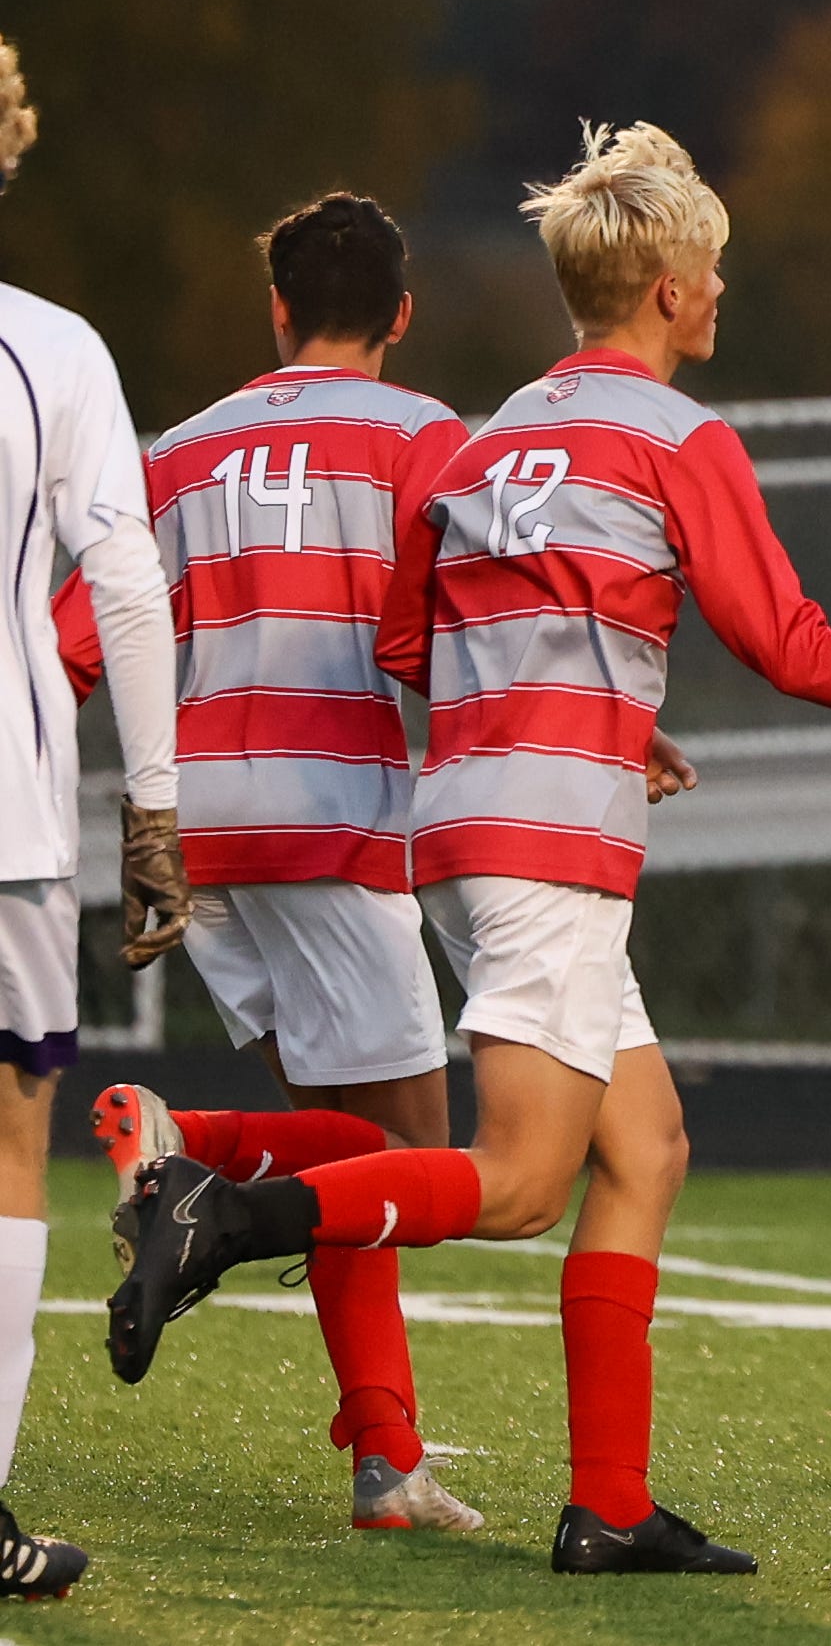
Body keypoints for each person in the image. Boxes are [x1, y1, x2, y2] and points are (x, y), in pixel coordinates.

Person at [102, 120, 831, 1576]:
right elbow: (790, 642)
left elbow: (412, 635)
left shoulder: (494, 433)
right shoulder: (677, 437)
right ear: (665, 287)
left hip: (458, 820)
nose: (721, 293)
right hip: (544, 843)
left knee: (644, 1146)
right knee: (517, 1183)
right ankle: (228, 1209)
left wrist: (583, 706)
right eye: (711, 271)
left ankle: (611, 1503)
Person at [54, 193, 483, 1530]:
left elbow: (83, 634)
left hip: (199, 826)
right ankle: (189, 1149)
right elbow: (472, 621)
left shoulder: (174, 452)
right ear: (401, 317)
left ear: (278, 310)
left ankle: (383, 1460)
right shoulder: (428, 438)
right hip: (335, 813)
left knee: (344, 1174)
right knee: (420, 1158)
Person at [0, 34, 191, 1600]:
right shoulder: (52, 349)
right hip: (2, 809)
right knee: (6, 1138)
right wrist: (157, 806)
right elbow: (124, 579)